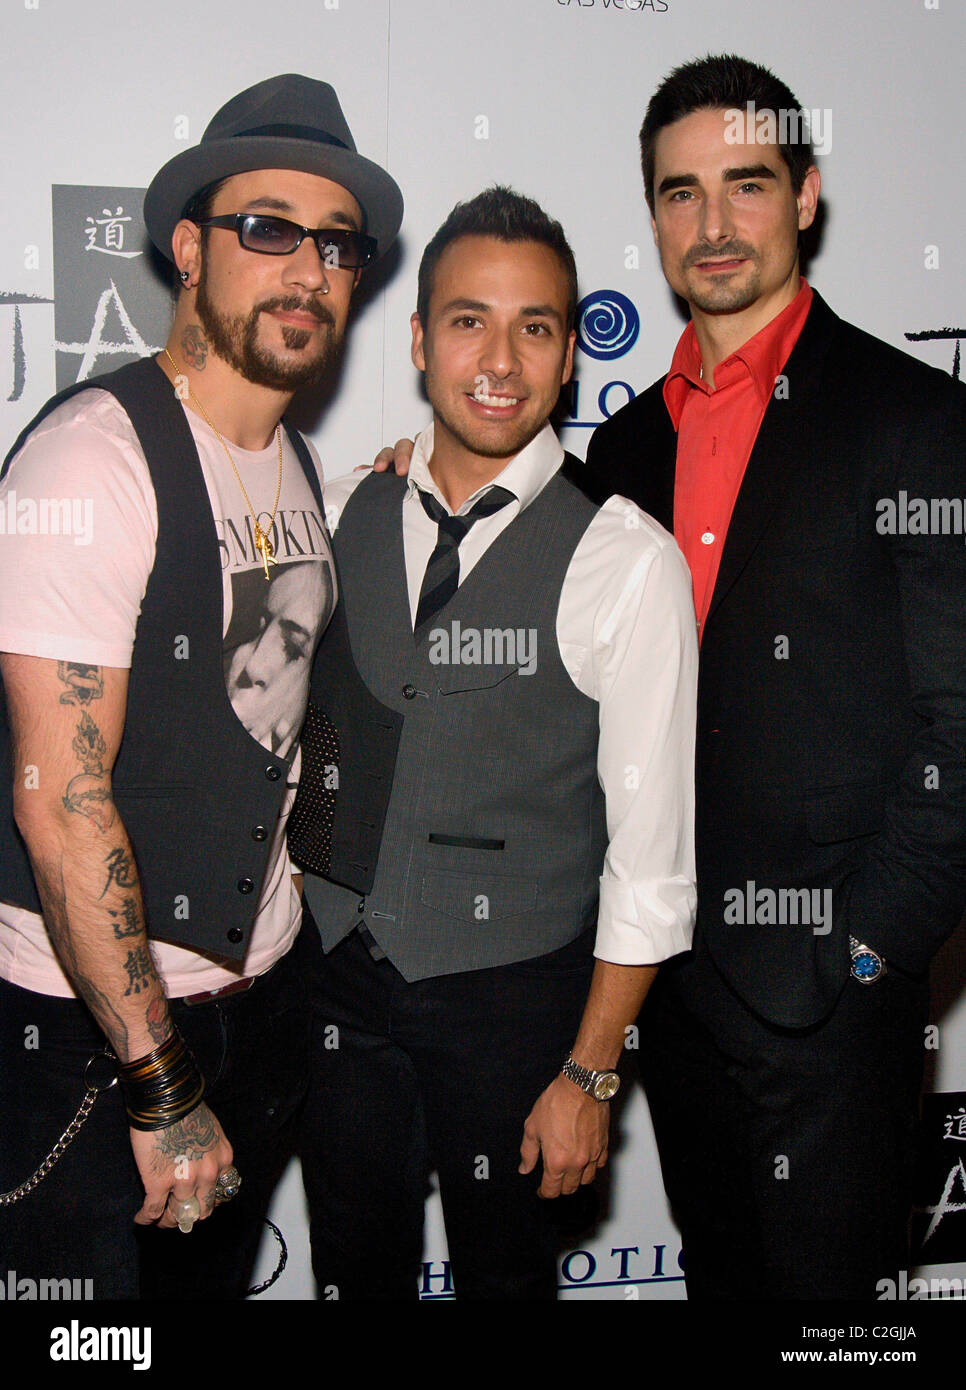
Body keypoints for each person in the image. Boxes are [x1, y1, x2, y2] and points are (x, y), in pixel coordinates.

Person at [0, 73, 402, 1299]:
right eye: (268, 228)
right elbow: (62, 801)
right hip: (93, 1045)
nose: (308, 268)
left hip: (265, 1006)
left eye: (336, 243)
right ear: (189, 248)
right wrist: (161, 1084)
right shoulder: (93, 460)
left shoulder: (297, 462)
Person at [581, 53, 966, 1299]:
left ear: (805, 194)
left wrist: (870, 952)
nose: (712, 222)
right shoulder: (623, 446)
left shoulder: (912, 420)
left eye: (745, 184)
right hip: (665, 985)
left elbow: (961, 725)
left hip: (830, 997)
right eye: (679, 192)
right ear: (653, 217)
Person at [289, 185, 698, 1300]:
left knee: (508, 1284)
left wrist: (591, 1073)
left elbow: (652, 864)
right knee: (350, 1273)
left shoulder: (626, 559)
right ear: (422, 342)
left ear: (569, 358)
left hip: (518, 1005)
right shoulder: (335, 511)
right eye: (469, 320)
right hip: (337, 980)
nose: (501, 360)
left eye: (536, 328)